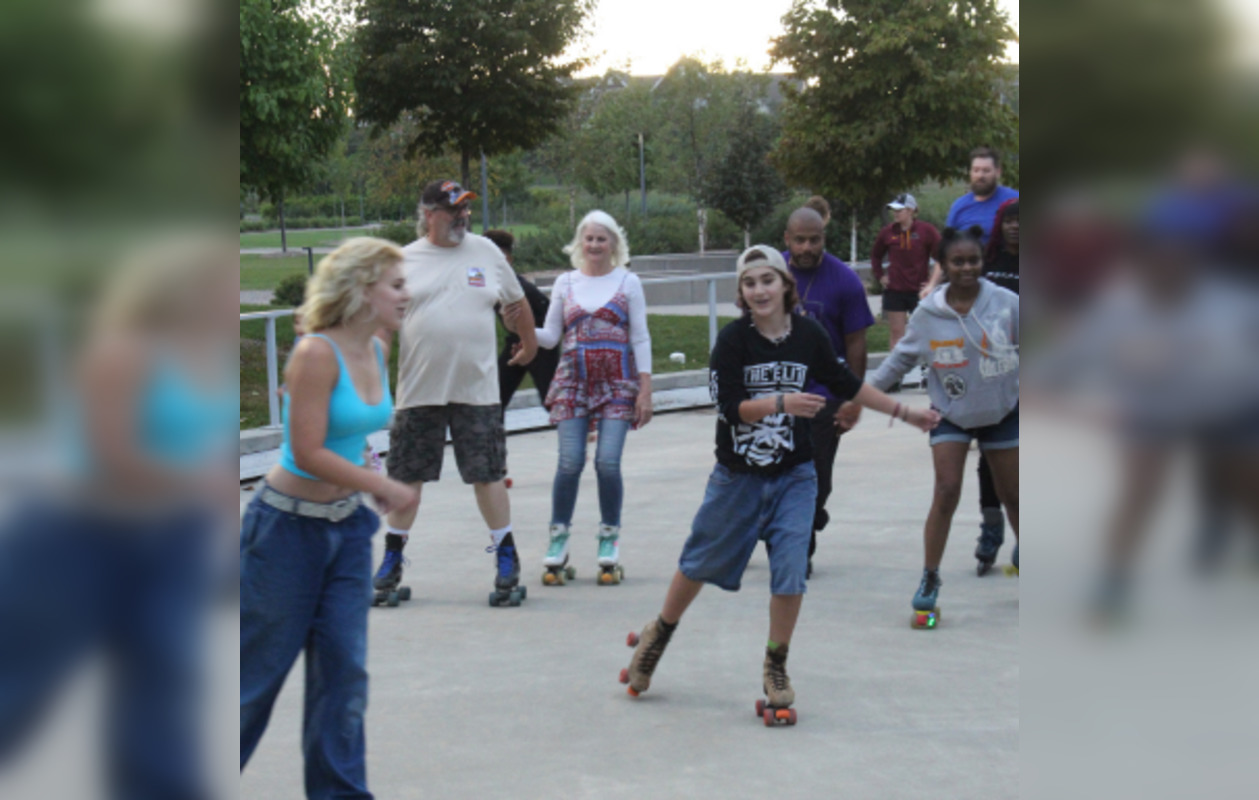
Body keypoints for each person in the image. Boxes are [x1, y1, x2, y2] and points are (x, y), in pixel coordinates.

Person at [618, 245, 938, 718]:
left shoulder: (808, 335)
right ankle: (658, 633)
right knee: (699, 561)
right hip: (737, 476)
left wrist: (906, 412)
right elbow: (729, 409)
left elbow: (847, 382)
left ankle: (776, 664)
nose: (759, 290)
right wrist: (779, 403)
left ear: (785, 286)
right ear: (742, 293)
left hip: (795, 474)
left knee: (790, 570)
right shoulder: (732, 342)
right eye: (749, 284)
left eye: (767, 280)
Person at [0, 237, 236, 800]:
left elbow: (197, 441)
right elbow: (109, 453)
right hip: (79, 536)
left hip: (170, 539)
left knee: (163, 686)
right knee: (24, 686)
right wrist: (195, 483)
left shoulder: (209, 354)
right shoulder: (122, 351)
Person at [241, 237, 418, 798]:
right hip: (285, 533)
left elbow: (347, 436)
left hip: (346, 531)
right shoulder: (315, 353)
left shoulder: (380, 347)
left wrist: (366, 470)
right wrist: (381, 483)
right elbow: (307, 450)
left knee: (344, 678)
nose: (406, 294)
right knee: (255, 680)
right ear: (363, 289)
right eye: (396, 284)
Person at [373, 180, 538, 607]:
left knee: (487, 474)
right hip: (418, 389)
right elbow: (385, 325)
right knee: (407, 476)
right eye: (453, 210)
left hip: (477, 388)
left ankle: (506, 557)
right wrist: (373, 369)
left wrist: (529, 342)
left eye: (466, 208)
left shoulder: (485, 251)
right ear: (429, 214)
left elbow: (515, 303)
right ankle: (391, 560)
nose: (462, 216)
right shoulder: (403, 261)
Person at [868, 226, 1021, 623]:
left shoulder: (1007, 303)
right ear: (944, 266)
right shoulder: (929, 314)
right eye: (958, 261)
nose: (967, 268)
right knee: (947, 489)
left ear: (982, 262)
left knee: (1014, 495)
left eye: (973, 260)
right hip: (951, 414)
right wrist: (860, 395)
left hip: (1003, 412)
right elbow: (899, 360)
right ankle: (930, 577)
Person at [534, 211, 652, 585]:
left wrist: (645, 389)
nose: (595, 245)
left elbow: (640, 337)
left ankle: (609, 539)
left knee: (607, 463)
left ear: (614, 243)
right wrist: (521, 328)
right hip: (573, 382)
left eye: (602, 239)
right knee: (569, 462)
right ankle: (558, 539)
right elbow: (551, 336)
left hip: (617, 383)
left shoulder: (628, 282)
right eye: (589, 239)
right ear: (579, 244)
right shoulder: (565, 283)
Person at [782, 206, 876, 577]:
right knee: (772, 472)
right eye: (800, 240)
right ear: (787, 239)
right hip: (776, 390)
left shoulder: (845, 281)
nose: (807, 247)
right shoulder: (772, 275)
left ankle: (802, 539)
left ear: (824, 238)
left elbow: (857, 344)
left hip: (824, 394)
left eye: (814, 239)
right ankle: (797, 532)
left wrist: (853, 398)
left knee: (817, 474)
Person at [974, 199, 1020, 573]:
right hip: (991, 374)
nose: (1016, 227)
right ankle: (991, 528)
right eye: (1010, 221)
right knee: (989, 460)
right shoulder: (986, 267)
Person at [922, 147, 1020, 295]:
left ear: (998, 171)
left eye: (986, 170)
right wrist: (932, 284)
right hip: (969, 282)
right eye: (976, 170)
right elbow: (947, 248)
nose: (980, 175)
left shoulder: (1013, 201)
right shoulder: (959, 206)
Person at [484, 228, 560, 416]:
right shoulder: (488, 282)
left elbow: (552, 317)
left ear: (508, 260)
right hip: (516, 340)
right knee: (496, 396)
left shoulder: (519, 287)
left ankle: (574, 429)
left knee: (549, 397)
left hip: (541, 343)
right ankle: (493, 440)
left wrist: (531, 338)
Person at [871, 193, 941, 390]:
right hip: (895, 290)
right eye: (893, 210)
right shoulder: (887, 232)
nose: (895, 214)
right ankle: (894, 376)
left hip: (920, 291)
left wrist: (932, 283)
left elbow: (941, 257)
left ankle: (929, 373)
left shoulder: (926, 231)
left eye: (899, 210)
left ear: (911, 211)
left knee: (926, 331)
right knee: (896, 332)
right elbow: (876, 256)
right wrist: (880, 276)